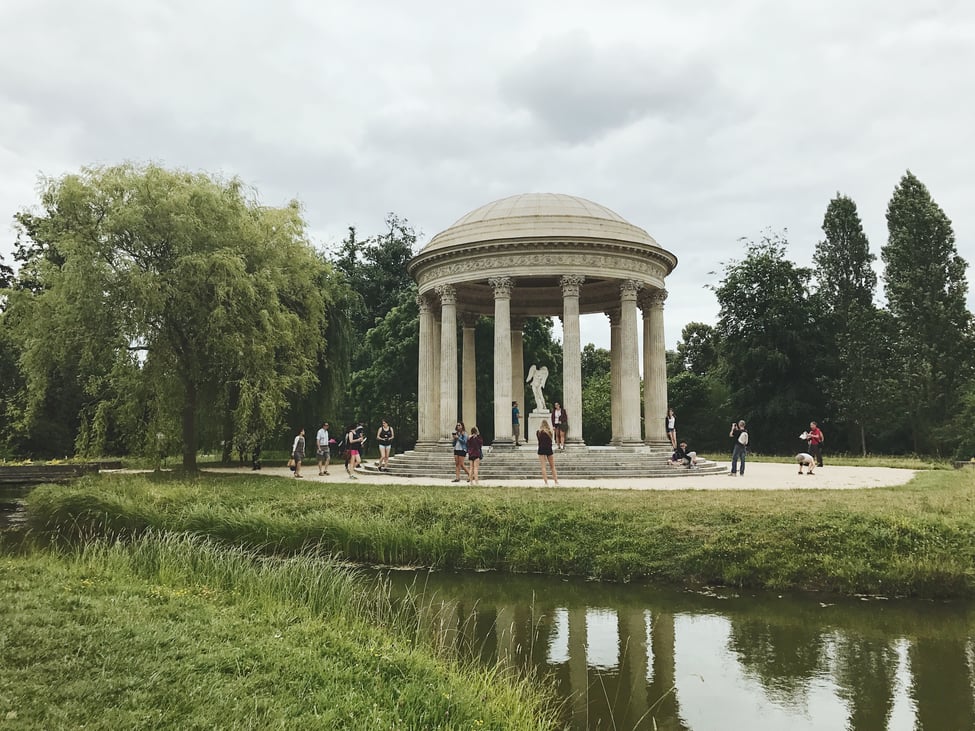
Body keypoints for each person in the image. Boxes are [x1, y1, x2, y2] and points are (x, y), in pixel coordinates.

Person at [536, 420, 559, 486]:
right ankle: (556, 482)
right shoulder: (550, 432)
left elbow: (539, 440)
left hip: (541, 449)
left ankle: (546, 483)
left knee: (543, 467)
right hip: (549, 449)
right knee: (552, 466)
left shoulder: (538, 432)